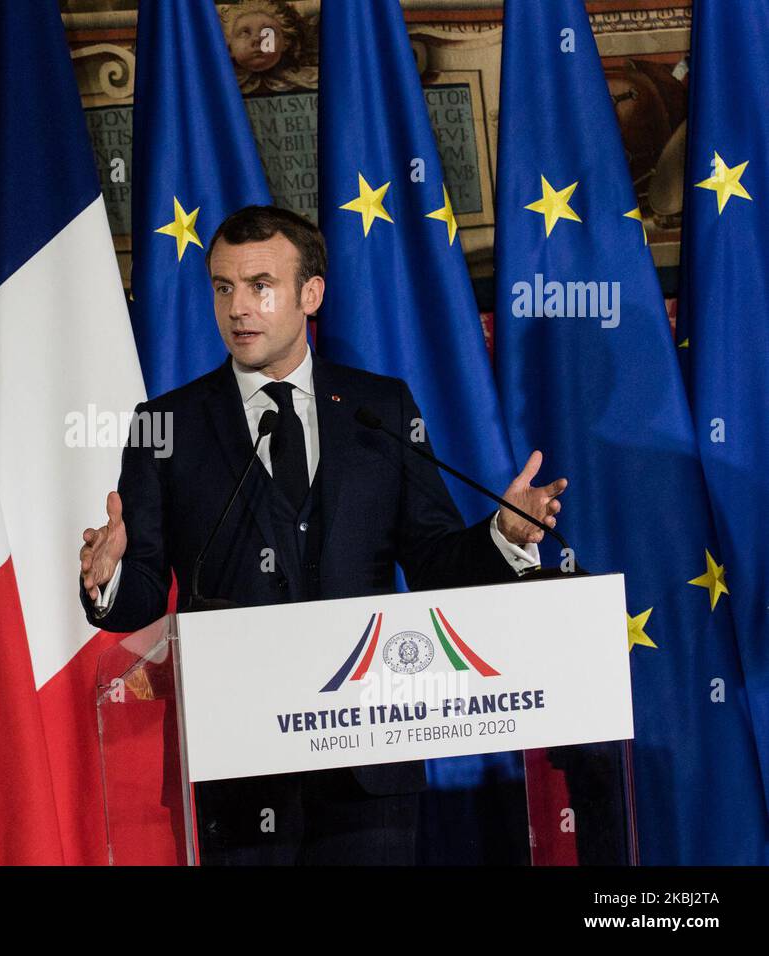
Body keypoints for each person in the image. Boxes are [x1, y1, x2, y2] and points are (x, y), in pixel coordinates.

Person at [77, 204, 568, 865]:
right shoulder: (165, 425)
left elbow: (433, 562)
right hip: (239, 763)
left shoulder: (380, 408)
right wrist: (107, 577)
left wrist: (503, 534)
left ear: (311, 293)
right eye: (224, 288)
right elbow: (140, 597)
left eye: (261, 286)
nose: (239, 308)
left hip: (367, 764)